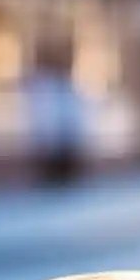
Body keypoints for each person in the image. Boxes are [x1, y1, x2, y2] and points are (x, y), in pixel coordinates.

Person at [24, 36, 86, 187]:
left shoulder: (66, 85)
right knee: (52, 179)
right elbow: (42, 113)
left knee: (64, 179)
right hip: (53, 138)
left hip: (64, 138)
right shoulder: (45, 85)